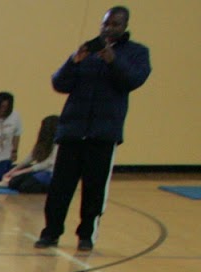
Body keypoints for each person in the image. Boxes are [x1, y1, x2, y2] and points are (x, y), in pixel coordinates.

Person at [35, 5, 151, 253]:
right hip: (72, 131)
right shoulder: (87, 51)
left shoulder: (136, 53)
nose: (109, 28)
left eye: (115, 24)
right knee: (60, 188)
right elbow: (59, 83)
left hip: (104, 134)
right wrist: (72, 62)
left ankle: (86, 235)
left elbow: (133, 81)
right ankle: (50, 232)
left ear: (125, 26)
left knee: (94, 190)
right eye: (106, 23)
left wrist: (113, 61)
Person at [0, 116, 58, 192]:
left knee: (25, 187)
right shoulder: (43, 142)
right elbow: (30, 158)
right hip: (39, 170)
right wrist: (13, 171)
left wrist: (21, 172)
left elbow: (47, 164)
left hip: (50, 173)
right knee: (13, 183)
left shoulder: (57, 145)